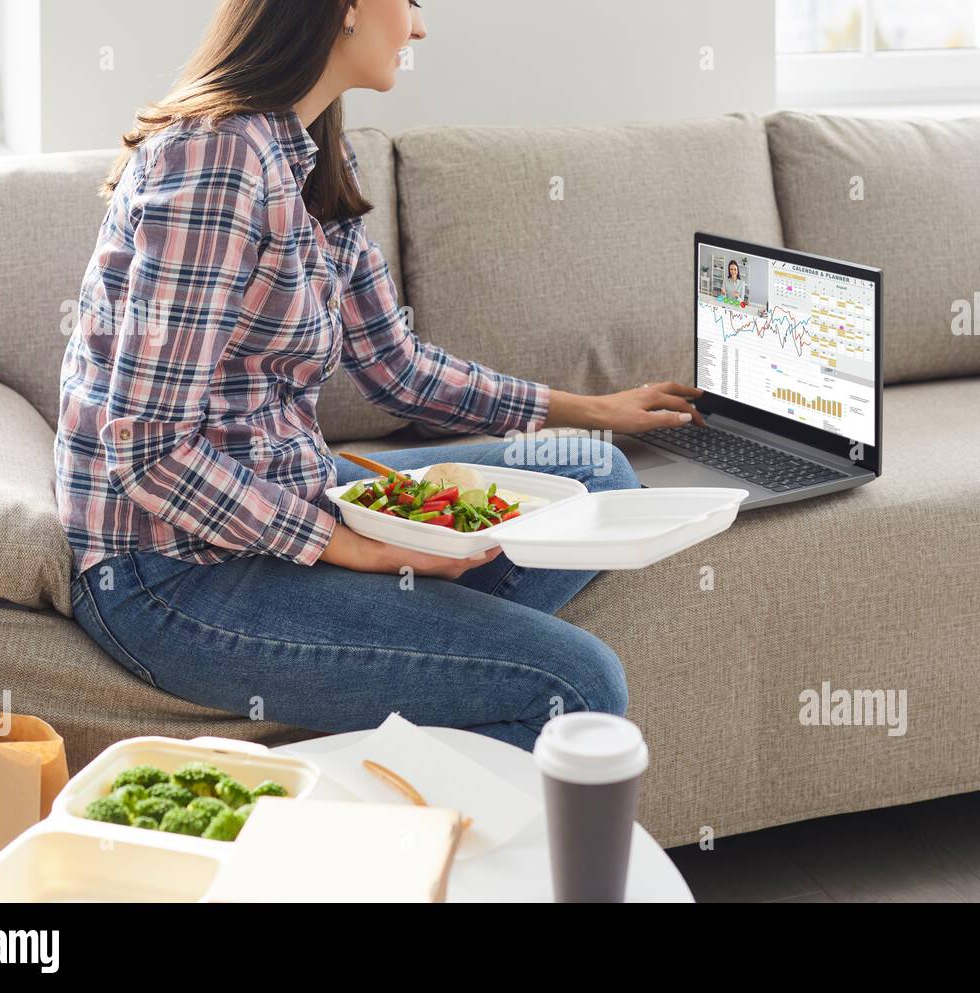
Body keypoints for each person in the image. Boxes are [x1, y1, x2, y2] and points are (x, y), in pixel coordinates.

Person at [54, 0, 705, 751]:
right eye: (415, 3)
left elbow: (396, 367)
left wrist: (594, 409)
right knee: (578, 683)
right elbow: (149, 448)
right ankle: (429, 812)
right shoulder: (216, 160)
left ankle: (430, 660)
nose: (421, 29)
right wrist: (352, 546)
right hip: (171, 570)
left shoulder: (309, 148)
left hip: (288, 481)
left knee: (595, 474)